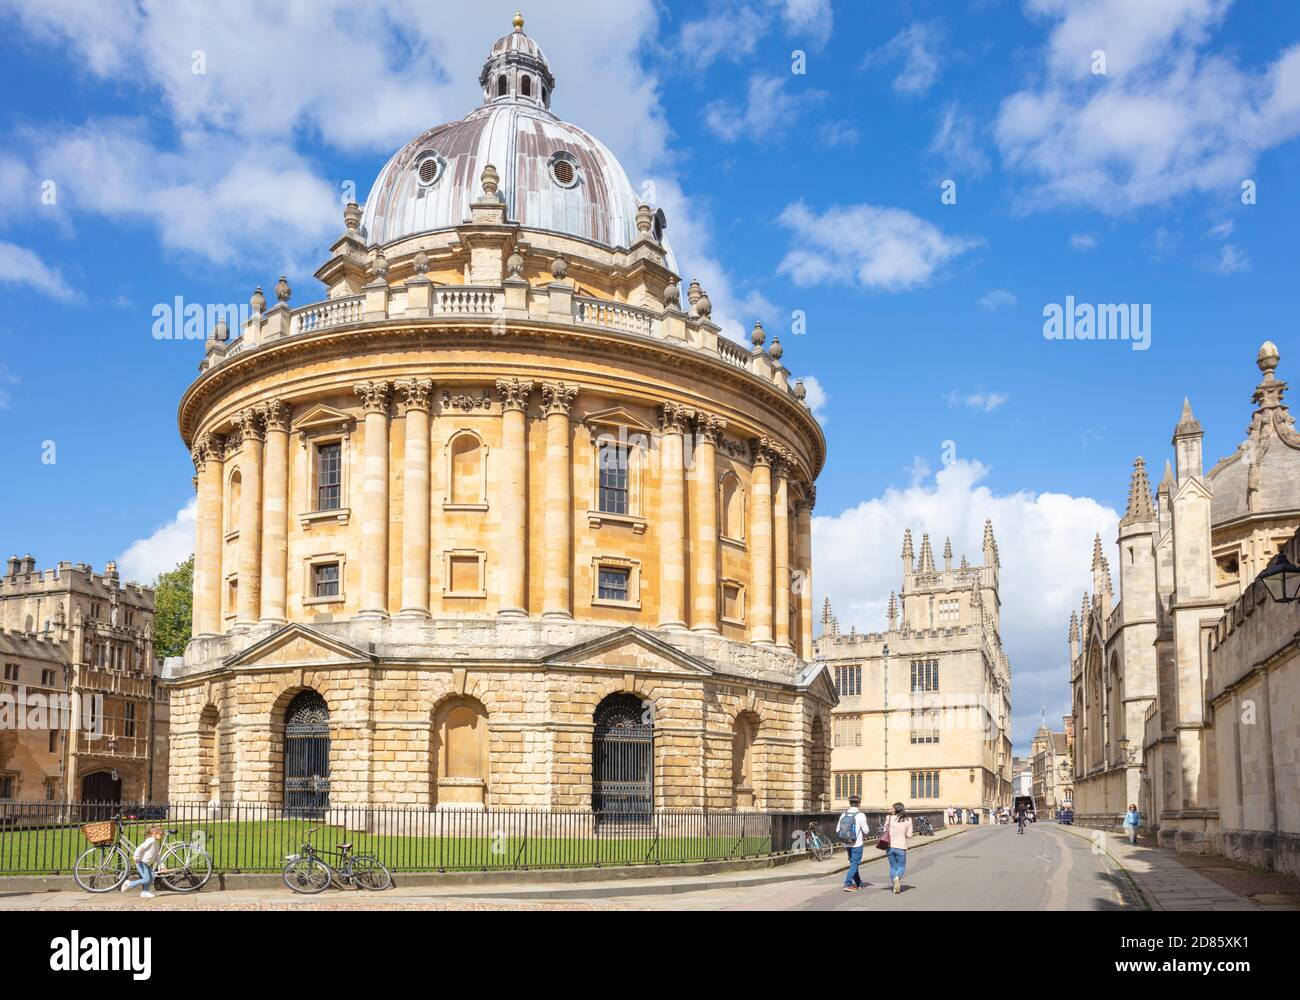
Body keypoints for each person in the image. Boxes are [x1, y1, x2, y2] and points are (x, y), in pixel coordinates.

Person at [837, 795, 870, 892]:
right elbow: (866, 830)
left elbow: (837, 829)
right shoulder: (860, 815)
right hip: (857, 843)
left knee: (853, 863)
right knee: (855, 863)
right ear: (859, 803)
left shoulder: (843, 814)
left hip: (846, 843)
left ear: (850, 803)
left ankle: (859, 883)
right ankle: (847, 883)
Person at [122, 826, 164, 900]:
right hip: (141, 863)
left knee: (152, 877)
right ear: (155, 833)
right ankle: (129, 884)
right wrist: (136, 856)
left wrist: (162, 865)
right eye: (161, 834)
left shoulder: (156, 843)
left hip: (147, 864)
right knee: (147, 879)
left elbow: (157, 856)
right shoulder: (150, 841)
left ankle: (145, 892)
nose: (162, 836)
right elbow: (140, 848)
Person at [882, 802, 912, 894]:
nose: (891, 810)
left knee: (893, 866)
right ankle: (897, 878)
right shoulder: (908, 819)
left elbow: (884, 830)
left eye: (893, 808)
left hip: (890, 846)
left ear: (896, 809)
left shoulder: (889, 818)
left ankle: (895, 887)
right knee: (901, 866)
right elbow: (909, 835)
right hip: (901, 846)